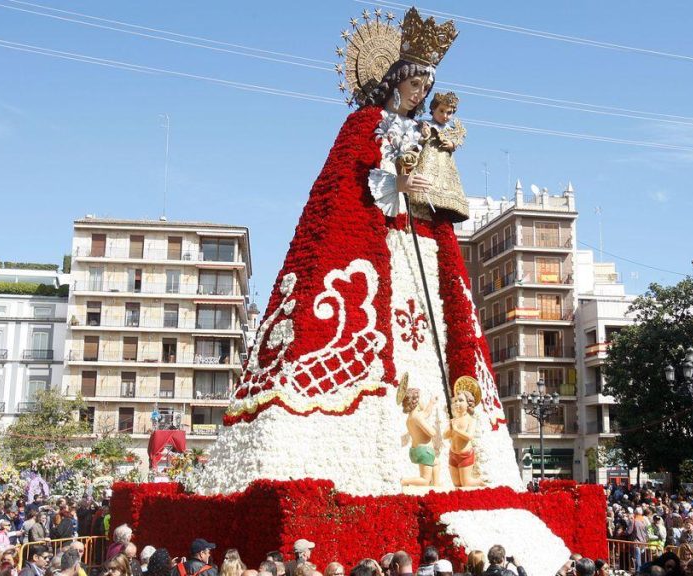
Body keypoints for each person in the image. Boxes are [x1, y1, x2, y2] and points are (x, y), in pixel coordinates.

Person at [206, 7, 519, 496]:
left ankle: (454, 456)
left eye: (425, 90)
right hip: (381, 240)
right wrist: (394, 180)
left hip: (424, 246)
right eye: (415, 87)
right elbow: (351, 179)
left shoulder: (422, 130)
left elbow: (436, 177)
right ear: (395, 82)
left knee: (433, 334)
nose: (420, 97)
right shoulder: (365, 123)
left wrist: (431, 183)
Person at [411, 91, 466, 222]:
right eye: (441, 111)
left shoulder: (451, 130)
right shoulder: (425, 124)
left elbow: (456, 143)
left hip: (445, 164)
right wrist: (424, 136)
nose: (445, 116)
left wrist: (452, 145)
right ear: (433, 109)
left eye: (449, 113)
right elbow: (417, 142)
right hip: (429, 160)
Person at [444, 388, 484, 488]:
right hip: (453, 454)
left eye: (461, 400)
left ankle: (478, 482)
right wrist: (451, 429)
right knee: (457, 484)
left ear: (468, 404)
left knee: (465, 483)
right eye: (455, 401)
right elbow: (445, 435)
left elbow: (469, 436)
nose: (457, 403)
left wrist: (456, 430)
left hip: (465, 455)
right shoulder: (453, 420)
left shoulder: (471, 420)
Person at [401, 388, 438, 487]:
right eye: (421, 399)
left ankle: (436, 486)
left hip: (416, 450)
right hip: (425, 451)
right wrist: (434, 430)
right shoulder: (417, 417)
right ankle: (404, 481)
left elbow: (426, 413)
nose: (422, 402)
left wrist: (431, 402)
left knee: (436, 463)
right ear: (416, 401)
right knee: (425, 480)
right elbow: (432, 433)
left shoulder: (411, 417)